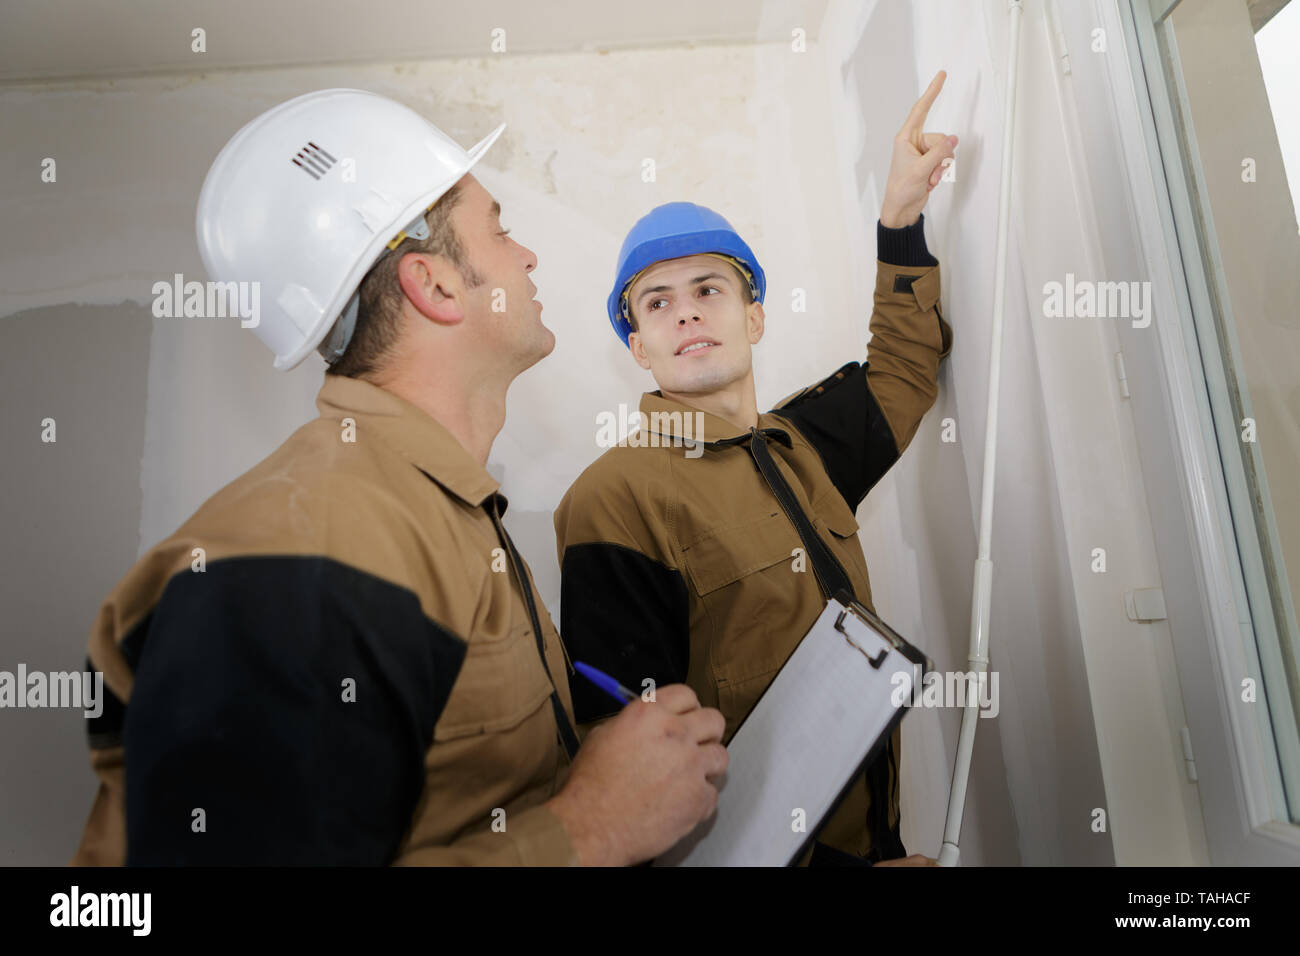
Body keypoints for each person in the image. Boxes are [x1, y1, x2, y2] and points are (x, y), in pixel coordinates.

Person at [70, 89, 726, 867]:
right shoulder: (307, 543)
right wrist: (587, 828)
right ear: (436, 286)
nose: (527, 256)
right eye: (501, 229)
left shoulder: (440, 512)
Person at [554, 72, 956, 866]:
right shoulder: (613, 498)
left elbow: (904, 374)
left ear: (755, 315)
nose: (688, 312)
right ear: (638, 347)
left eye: (709, 288)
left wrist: (900, 218)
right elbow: (632, 771)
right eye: (657, 303)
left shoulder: (797, 448)